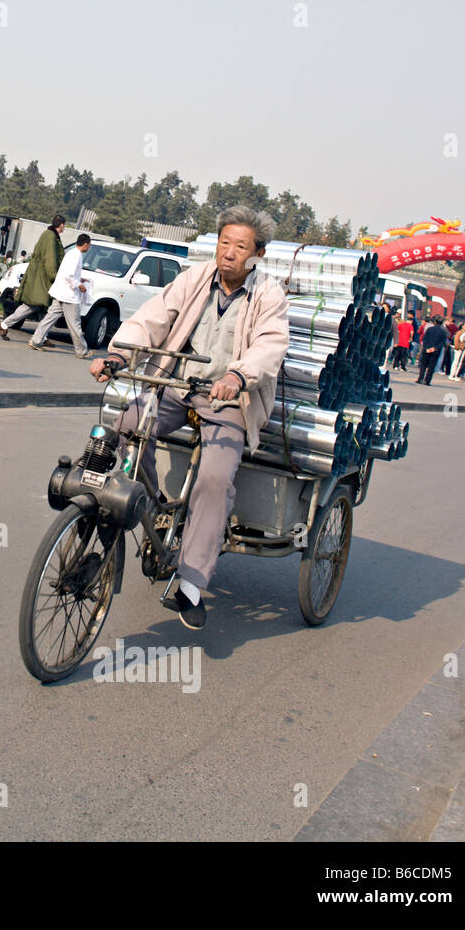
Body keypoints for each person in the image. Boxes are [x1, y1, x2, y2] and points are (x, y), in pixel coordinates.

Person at [90, 206, 290, 630]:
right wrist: (118, 353)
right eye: (224, 243)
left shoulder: (268, 294)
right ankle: (148, 507)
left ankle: (191, 584)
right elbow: (151, 319)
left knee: (215, 480)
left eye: (240, 247)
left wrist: (239, 375)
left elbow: (270, 345)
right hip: (177, 386)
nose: (229, 253)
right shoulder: (194, 278)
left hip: (228, 400)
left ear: (258, 254)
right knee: (126, 427)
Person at [0, 215, 65, 339]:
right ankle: (4, 324)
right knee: (34, 306)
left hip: (39, 277)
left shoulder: (48, 235)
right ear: (61, 225)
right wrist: (54, 276)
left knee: (43, 309)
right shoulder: (51, 237)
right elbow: (50, 260)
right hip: (42, 279)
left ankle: (43, 337)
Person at [29, 233, 93, 356]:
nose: (89, 248)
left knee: (49, 318)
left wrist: (81, 279)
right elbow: (68, 274)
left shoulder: (71, 253)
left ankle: (36, 341)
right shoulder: (76, 255)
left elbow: (68, 273)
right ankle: (82, 351)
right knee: (75, 324)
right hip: (69, 296)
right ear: (85, 244)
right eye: (89, 245)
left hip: (60, 293)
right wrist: (79, 285)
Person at [416, 315, 447, 385]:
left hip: (426, 349)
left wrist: (427, 348)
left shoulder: (430, 329)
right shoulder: (443, 332)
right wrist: (435, 348)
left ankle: (420, 378)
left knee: (423, 365)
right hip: (435, 351)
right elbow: (442, 342)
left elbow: (425, 339)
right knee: (431, 366)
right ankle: (427, 380)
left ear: (435, 322)